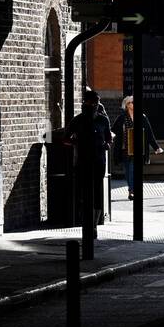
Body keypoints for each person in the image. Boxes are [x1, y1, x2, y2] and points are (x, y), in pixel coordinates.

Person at [65, 89, 112, 228]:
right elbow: (66, 138)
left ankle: (94, 225)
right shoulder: (78, 119)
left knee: (97, 191)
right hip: (83, 160)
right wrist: (77, 143)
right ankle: (86, 222)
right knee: (84, 191)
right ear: (86, 102)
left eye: (97, 102)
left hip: (99, 160)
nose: (95, 105)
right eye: (93, 102)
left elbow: (109, 138)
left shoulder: (103, 120)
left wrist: (107, 145)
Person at [111, 95, 163, 200]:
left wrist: (156, 147)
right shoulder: (122, 117)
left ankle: (132, 190)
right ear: (127, 105)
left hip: (138, 148)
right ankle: (131, 189)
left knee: (132, 169)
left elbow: (149, 133)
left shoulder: (141, 117)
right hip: (125, 148)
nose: (134, 104)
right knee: (127, 170)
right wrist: (109, 138)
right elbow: (113, 131)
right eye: (132, 102)